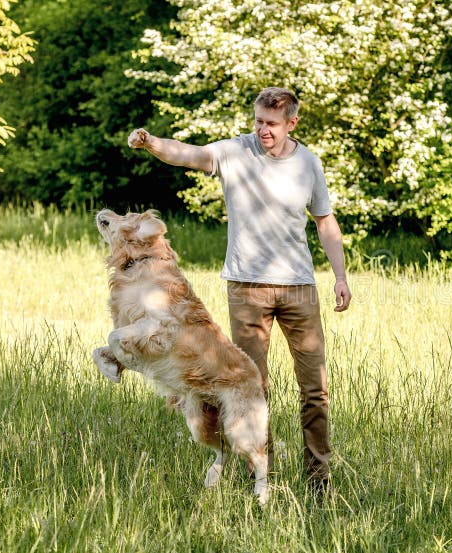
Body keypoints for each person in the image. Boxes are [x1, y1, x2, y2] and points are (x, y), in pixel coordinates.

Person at [127, 87, 352, 493]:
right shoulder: (235, 151)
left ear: (291, 124)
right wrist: (151, 142)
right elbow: (190, 153)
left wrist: (340, 276)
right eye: (259, 121)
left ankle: (320, 481)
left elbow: (325, 222)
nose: (263, 130)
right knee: (253, 387)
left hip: (299, 288)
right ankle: (259, 477)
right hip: (247, 289)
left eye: (272, 124)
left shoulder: (308, 164)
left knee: (316, 390)